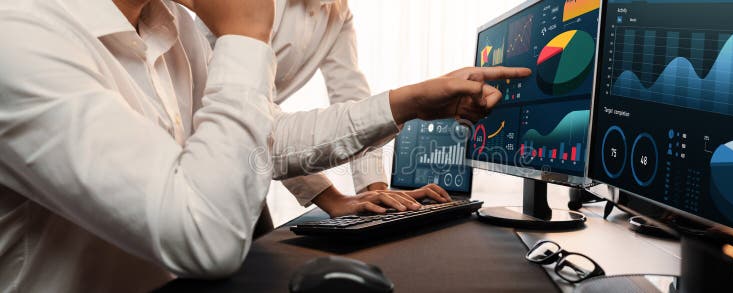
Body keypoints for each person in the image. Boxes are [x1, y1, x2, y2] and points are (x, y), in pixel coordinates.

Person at [0, 0, 530, 292]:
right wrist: (247, 34)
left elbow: (266, 140)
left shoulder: (170, 24)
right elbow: (201, 234)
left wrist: (407, 103)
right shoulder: (18, 34)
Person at [195, 0, 429, 223]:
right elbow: (246, 113)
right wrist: (332, 199)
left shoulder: (338, 11)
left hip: (244, 150)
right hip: (198, 153)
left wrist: (378, 192)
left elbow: (352, 94)